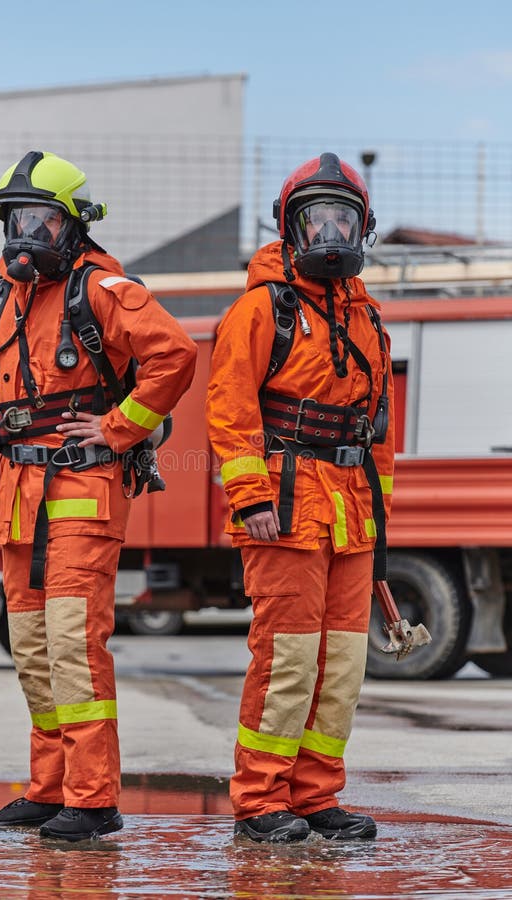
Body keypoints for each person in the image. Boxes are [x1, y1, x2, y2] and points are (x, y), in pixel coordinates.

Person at [0, 150, 197, 841]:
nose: (27, 233)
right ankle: (49, 787)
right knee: (29, 649)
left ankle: (92, 799)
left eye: (42, 219)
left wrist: (120, 429)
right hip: (17, 493)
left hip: (83, 489)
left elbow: (175, 356)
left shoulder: (106, 291)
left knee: (71, 646)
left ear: (75, 224)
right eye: (17, 219)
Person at [206, 152, 395, 843]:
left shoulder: (368, 320)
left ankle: (317, 796)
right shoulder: (263, 309)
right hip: (285, 509)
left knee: (341, 667)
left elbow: (379, 434)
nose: (331, 233)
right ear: (292, 229)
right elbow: (228, 410)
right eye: (317, 219)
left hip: (350, 512)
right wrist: (251, 495)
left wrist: (379, 517)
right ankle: (260, 801)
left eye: (343, 218)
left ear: (362, 229)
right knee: (285, 661)